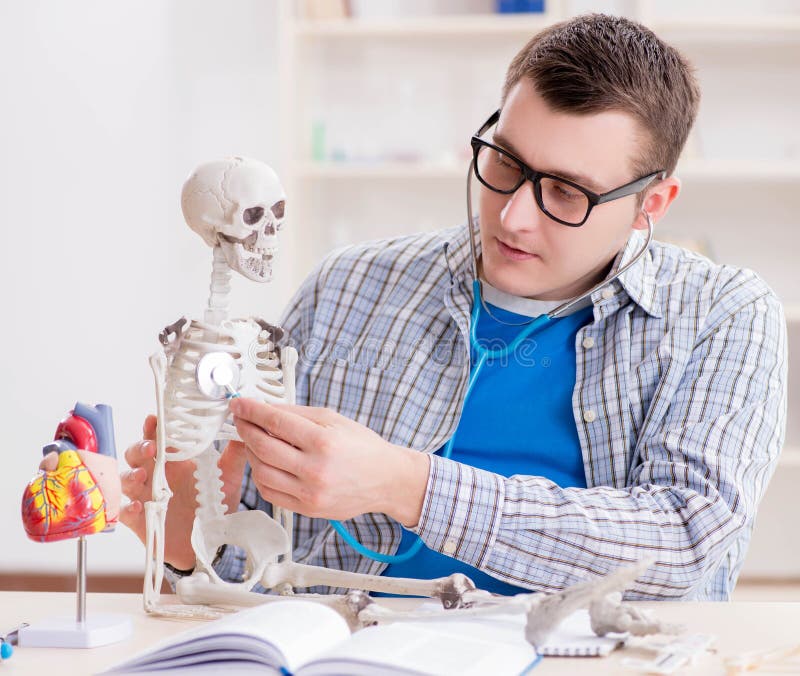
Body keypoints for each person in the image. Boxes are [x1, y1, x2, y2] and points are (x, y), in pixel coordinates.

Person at [120, 13, 787, 601]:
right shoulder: (346, 288)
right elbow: (256, 565)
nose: (514, 216)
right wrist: (184, 533)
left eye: (566, 192)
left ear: (651, 204)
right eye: (505, 162)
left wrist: (407, 485)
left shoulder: (723, 314)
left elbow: (682, 541)